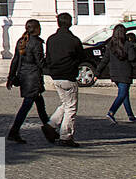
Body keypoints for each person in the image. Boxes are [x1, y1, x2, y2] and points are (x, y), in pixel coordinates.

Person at [6, 18, 57, 144]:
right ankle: (14, 131)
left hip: (24, 77)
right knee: (27, 106)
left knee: (40, 106)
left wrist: (10, 77)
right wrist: (53, 68)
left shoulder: (21, 41)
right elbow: (40, 62)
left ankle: (50, 131)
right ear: (36, 29)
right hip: (33, 79)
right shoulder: (36, 43)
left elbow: (15, 61)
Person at [44, 12, 85, 147]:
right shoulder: (73, 40)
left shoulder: (51, 39)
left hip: (55, 76)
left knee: (65, 103)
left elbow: (48, 57)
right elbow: (81, 57)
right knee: (71, 107)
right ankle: (66, 136)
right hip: (68, 76)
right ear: (70, 23)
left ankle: (51, 124)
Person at [103, 24, 136, 123]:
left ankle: (130, 115)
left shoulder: (110, 45)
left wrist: (97, 73)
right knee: (122, 94)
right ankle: (111, 112)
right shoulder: (128, 45)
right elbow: (132, 58)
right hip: (125, 72)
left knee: (124, 94)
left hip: (114, 73)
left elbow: (105, 60)